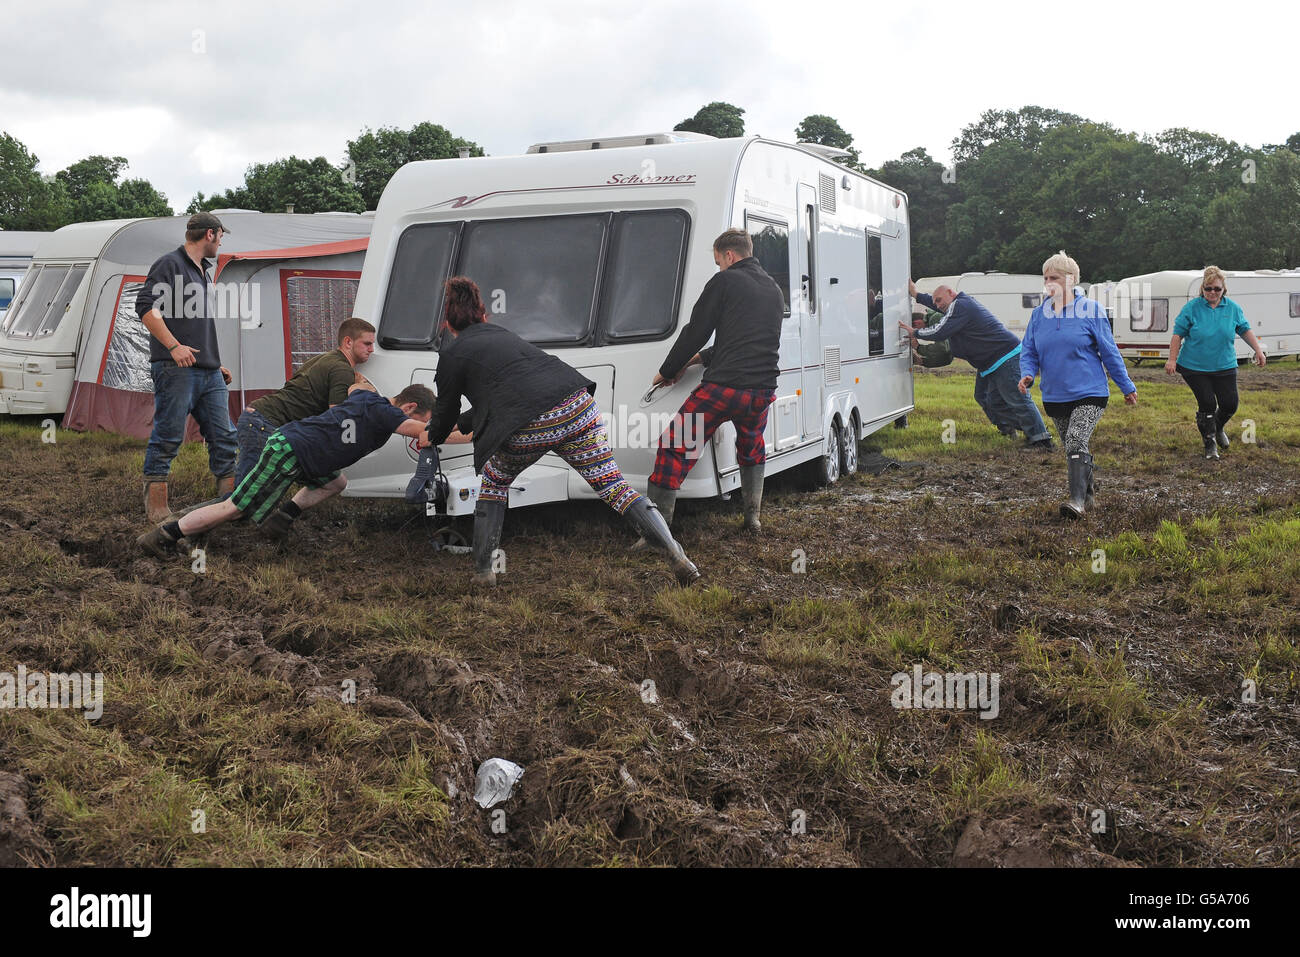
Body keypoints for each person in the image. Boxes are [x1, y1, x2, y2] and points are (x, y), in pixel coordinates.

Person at [425, 277, 699, 587]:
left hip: (530, 424)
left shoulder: (452, 355)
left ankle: (484, 572)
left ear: (448, 323)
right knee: (613, 485)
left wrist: (432, 435)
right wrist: (462, 423)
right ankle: (676, 553)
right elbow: (501, 398)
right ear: (485, 315)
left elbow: (445, 412)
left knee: (494, 484)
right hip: (576, 406)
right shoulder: (504, 336)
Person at [137, 381, 434, 556]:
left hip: (309, 458)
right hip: (289, 449)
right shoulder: (388, 414)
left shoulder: (367, 398)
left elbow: (356, 384)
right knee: (236, 507)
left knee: (336, 482)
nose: (421, 425)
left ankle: (282, 518)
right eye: (422, 419)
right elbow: (423, 432)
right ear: (408, 408)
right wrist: (474, 432)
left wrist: (366, 385)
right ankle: (165, 535)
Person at [646, 227, 784, 536]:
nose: (718, 266)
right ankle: (752, 520)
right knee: (751, 448)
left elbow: (697, 330)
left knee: (675, 446)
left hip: (725, 388)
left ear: (729, 255)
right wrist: (694, 361)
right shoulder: (773, 288)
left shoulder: (725, 281)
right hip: (762, 391)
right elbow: (741, 341)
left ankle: (657, 533)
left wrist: (668, 370)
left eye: (718, 260)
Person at [136, 212, 239, 522]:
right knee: (168, 436)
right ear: (210, 233)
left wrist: (213, 363)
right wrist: (173, 346)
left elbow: (195, 325)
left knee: (224, 437)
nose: (222, 241)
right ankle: (156, 508)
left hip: (207, 371)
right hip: (175, 369)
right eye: (221, 235)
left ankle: (230, 504)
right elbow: (145, 307)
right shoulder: (170, 264)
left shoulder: (203, 272)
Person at [1019, 251, 1137, 518]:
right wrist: (1027, 374)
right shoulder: (1039, 315)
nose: (1049, 282)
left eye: (1055, 277)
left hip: (1090, 392)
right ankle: (1089, 496)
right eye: (1046, 277)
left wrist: (1126, 386)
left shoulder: (1091, 310)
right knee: (1073, 447)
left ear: (1071, 280)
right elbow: (1028, 350)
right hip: (1055, 395)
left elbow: (1109, 351)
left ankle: (1077, 502)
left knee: (1075, 439)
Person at [231, 317, 378, 491]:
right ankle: (193, 516)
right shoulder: (341, 369)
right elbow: (338, 418)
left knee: (333, 481)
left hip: (263, 421)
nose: (372, 349)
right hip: (263, 424)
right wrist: (364, 390)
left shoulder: (326, 359)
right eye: (367, 344)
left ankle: (286, 515)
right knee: (244, 498)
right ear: (348, 342)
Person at [905, 281, 1053, 449]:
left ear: (951, 293)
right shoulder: (954, 307)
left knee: (1017, 399)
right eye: (935, 302)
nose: (937, 305)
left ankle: (1041, 439)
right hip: (989, 363)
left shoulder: (962, 304)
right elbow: (938, 305)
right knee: (986, 399)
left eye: (939, 300)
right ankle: (1012, 428)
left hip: (1005, 357)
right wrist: (916, 294)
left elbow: (940, 332)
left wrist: (915, 333)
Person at [1164, 266, 1267, 460]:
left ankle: (1217, 428)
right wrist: (1171, 359)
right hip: (1194, 366)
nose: (1212, 292)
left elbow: (1245, 329)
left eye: (1216, 289)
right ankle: (1210, 444)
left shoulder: (1233, 308)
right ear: (1202, 289)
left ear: (1223, 290)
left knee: (1230, 404)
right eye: (1208, 288)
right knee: (1208, 403)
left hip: (1224, 365)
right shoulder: (1191, 308)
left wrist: (1258, 350)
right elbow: (1177, 335)